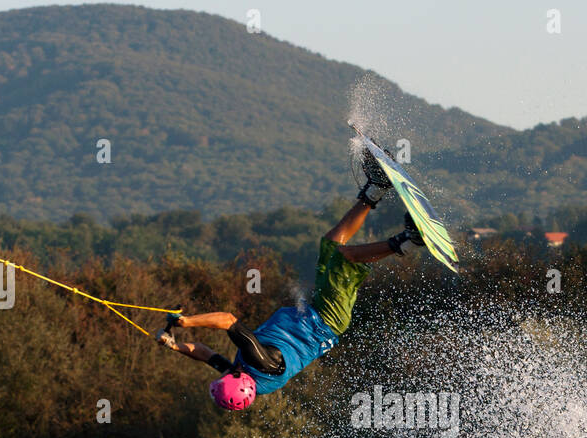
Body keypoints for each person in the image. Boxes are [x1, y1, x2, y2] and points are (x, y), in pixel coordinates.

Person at [157, 147, 424, 410]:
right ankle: (408, 241)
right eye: (226, 375)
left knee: (330, 244)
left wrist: (174, 345)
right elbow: (227, 320)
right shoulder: (263, 362)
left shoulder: (244, 375)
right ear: (238, 379)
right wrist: (185, 321)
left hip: (319, 314)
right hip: (327, 318)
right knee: (344, 257)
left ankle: (376, 188)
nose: (224, 371)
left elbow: (205, 353)